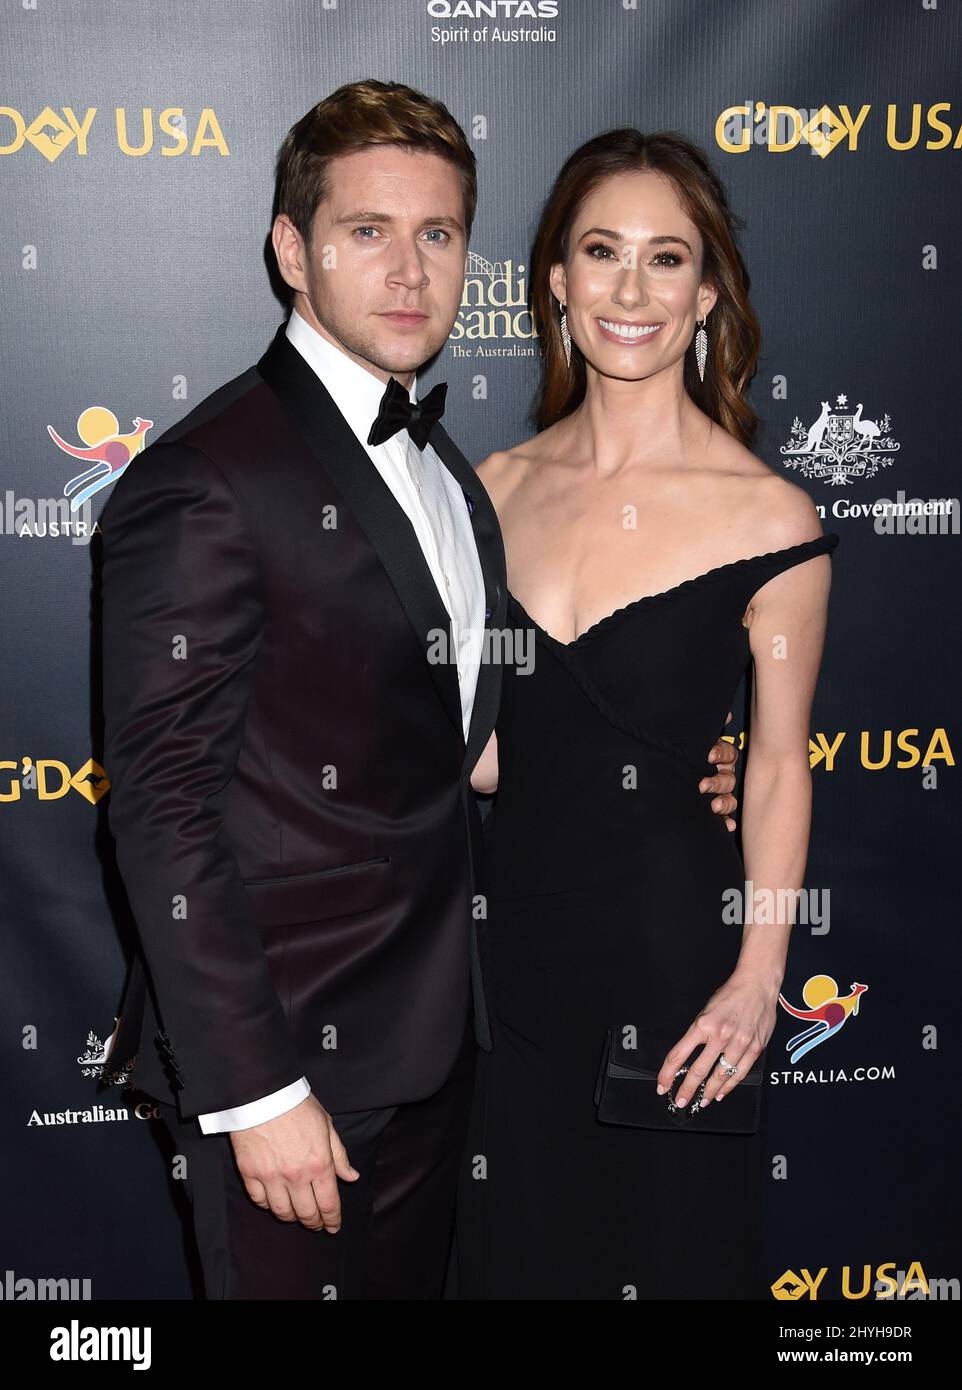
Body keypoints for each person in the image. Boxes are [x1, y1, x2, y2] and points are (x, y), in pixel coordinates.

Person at [98, 85, 741, 1301]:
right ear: (291, 251)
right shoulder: (207, 480)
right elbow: (160, 810)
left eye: (437, 234)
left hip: (447, 1050)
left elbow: (467, 743)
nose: (407, 271)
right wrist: (255, 1091)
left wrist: (689, 761)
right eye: (366, 232)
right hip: (293, 1078)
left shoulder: (446, 467)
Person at [456, 129, 839, 1299]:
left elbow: (775, 765)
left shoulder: (769, 519)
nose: (631, 289)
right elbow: (475, 749)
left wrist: (754, 974)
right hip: (499, 978)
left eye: (665, 259)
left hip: (675, 973)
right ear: (556, 286)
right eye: (600, 253)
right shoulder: (483, 491)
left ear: (706, 291)